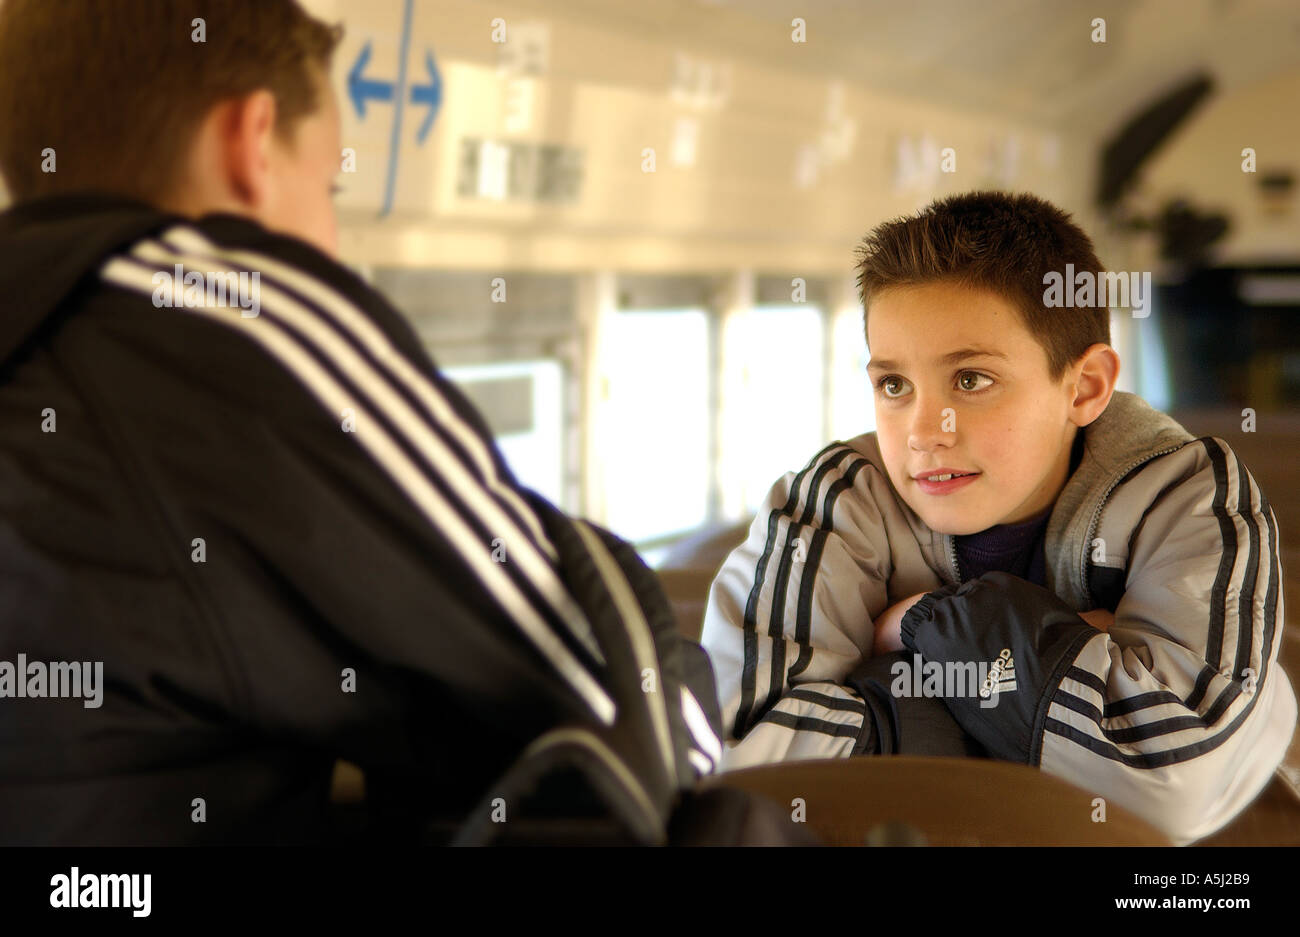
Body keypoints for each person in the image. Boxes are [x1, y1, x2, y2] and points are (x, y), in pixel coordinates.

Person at [0, 0, 732, 845]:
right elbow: (632, 710)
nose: (337, 242)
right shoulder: (232, 313)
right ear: (251, 140)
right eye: (331, 186)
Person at [700, 190, 1297, 845]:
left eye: (971, 380)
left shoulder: (1189, 495)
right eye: (894, 385)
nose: (925, 431)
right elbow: (745, 765)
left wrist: (929, 624)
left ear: (1085, 387)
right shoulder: (836, 501)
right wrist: (1045, 664)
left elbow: (1167, 786)